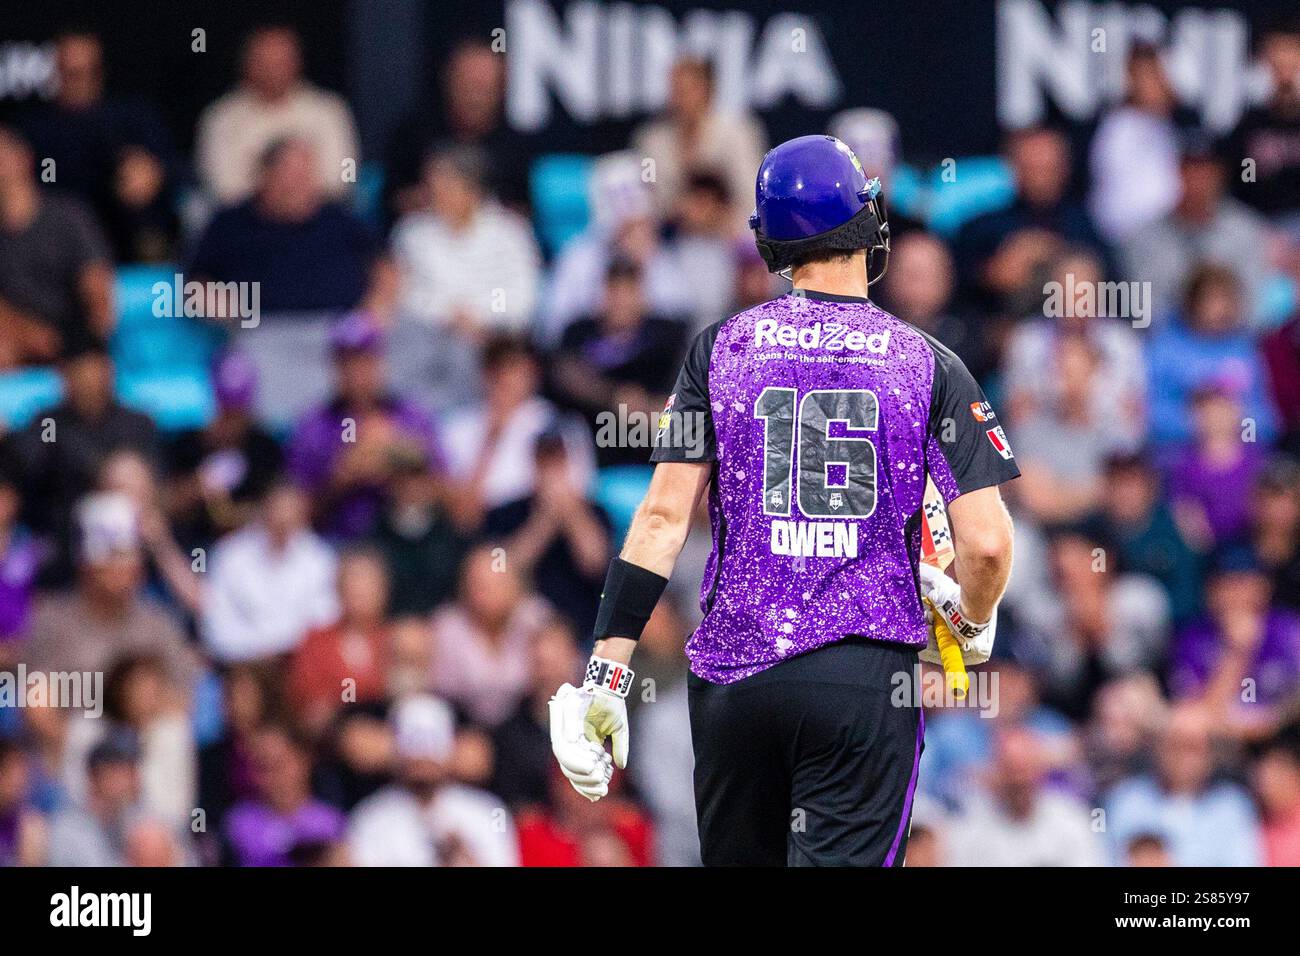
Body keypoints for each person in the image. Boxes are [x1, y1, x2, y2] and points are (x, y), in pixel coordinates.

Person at [548, 136, 1019, 866]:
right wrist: (970, 621)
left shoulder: (719, 348)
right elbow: (987, 544)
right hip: (860, 683)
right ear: (868, 223)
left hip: (733, 684)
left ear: (771, 242)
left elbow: (662, 520)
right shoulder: (929, 360)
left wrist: (606, 673)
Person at [17, 31, 180, 262]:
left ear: (101, 72)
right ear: (54, 72)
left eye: (87, 72)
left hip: (126, 242)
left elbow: (177, 172)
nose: (79, 81)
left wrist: (153, 174)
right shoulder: (33, 131)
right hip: (56, 251)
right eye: (70, 73)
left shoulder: (132, 119)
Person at [287, 311, 444, 539]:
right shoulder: (315, 425)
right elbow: (294, 512)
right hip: (338, 544)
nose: (356, 373)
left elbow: (454, 503)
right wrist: (343, 476)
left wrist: (402, 456)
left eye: (364, 361)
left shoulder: (411, 416)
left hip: (405, 545)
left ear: (379, 362)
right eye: (347, 363)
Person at [195, 24, 359, 204]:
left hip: (317, 218)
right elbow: (221, 186)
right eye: (263, 62)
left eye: (281, 61)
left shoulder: (329, 110)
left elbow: (343, 178)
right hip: (246, 221)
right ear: (245, 64)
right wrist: (275, 199)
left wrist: (296, 200)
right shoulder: (220, 117)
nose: (272, 70)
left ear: (298, 62)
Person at [549, 257, 688, 468]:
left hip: (650, 446)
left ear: (641, 294)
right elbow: (566, 376)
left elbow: (682, 394)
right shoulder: (578, 332)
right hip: (590, 445)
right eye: (614, 291)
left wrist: (643, 407)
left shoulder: (667, 335)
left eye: (628, 292)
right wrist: (615, 397)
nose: (621, 302)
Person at [348, 695, 519, 866]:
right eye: (413, 741)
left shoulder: (486, 812)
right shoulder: (371, 818)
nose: (423, 757)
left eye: (432, 741)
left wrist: (464, 860)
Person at [1122, 133, 1270, 328]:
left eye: (1206, 170)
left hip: (1232, 345)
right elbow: (1142, 312)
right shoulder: (1145, 237)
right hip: (1168, 347)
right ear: (1177, 171)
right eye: (1190, 169)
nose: (1198, 179)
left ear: (1220, 174)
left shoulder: (1245, 230)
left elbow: (1255, 308)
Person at [0, 124, 114, 367]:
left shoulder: (69, 216)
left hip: (74, 338)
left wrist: (84, 342)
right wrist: (32, 336)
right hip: (18, 343)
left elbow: (97, 287)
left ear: (23, 157)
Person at [1103, 703, 1261, 866]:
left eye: (1193, 747)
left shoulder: (1231, 807)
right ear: (1158, 747)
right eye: (1175, 744)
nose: (1183, 757)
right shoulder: (1127, 800)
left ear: (1211, 754)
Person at [200, 481, 339, 664]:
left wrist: (281, 649)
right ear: (264, 511)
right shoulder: (229, 555)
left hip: (298, 662)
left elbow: (325, 620)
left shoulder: (321, 559)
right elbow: (216, 623)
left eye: (290, 513)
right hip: (240, 663)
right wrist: (257, 650)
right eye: (277, 512)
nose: (283, 521)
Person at [631, 57, 766, 232]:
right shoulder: (653, 140)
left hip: (733, 239)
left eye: (688, 90)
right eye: (675, 90)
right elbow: (647, 201)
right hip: (672, 242)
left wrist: (717, 212)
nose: (680, 99)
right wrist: (681, 209)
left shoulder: (736, 132)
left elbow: (752, 195)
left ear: (708, 91)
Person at [945, 727, 1104, 867]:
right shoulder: (969, 828)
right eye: (1012, 772)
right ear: (995, 773)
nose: (1020, 782)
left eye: (1026, 771)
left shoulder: (1073, 819)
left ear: (1041, 771)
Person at [222, 722, 345, 867]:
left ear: (304, 761)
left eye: (282, 763)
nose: (276, 775)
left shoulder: (331, 823)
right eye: (265, 767)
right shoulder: (237, 823)